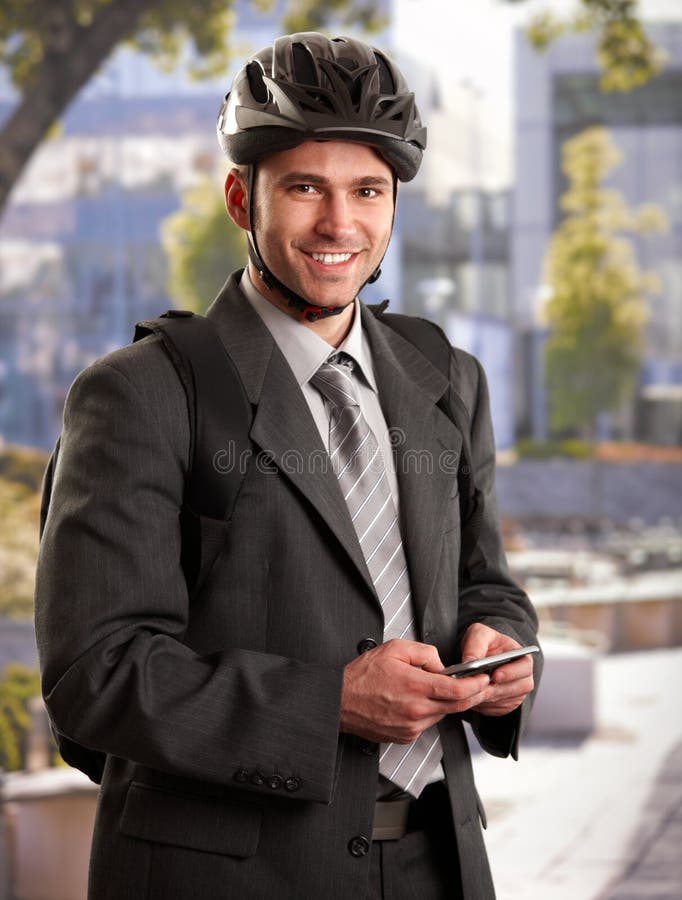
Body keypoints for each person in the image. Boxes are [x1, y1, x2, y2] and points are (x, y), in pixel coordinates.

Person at [35, 32, 541, 900]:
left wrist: (503, 649)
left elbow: (484, 582)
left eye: (367, 191)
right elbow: (97, 672)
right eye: (306, 187)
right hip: (230, 878)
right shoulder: (142, 393)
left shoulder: (446, 377)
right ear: (243, 197)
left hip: (438, 863)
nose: (341, 224)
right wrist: (328, 703)